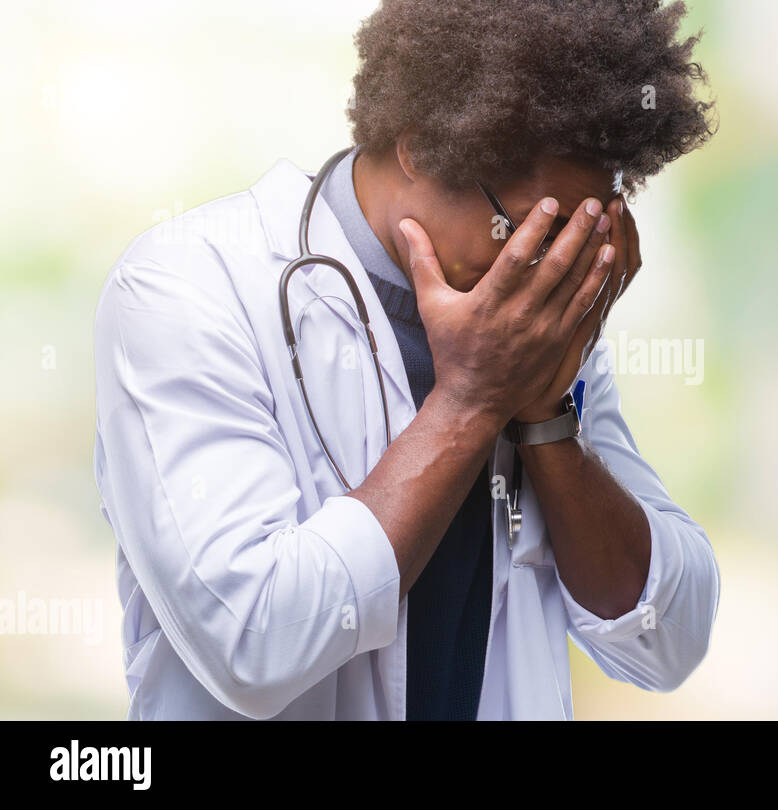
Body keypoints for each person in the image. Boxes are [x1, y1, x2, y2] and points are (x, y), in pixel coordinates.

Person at [91, 0, 720, 720]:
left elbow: (667, 636)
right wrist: (472, 401)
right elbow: (253, 642)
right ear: (422, 148)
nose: (561, 272)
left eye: (588, 238)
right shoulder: (186, 288)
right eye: (537, 230)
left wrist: (546, 415)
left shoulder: (538, 334)